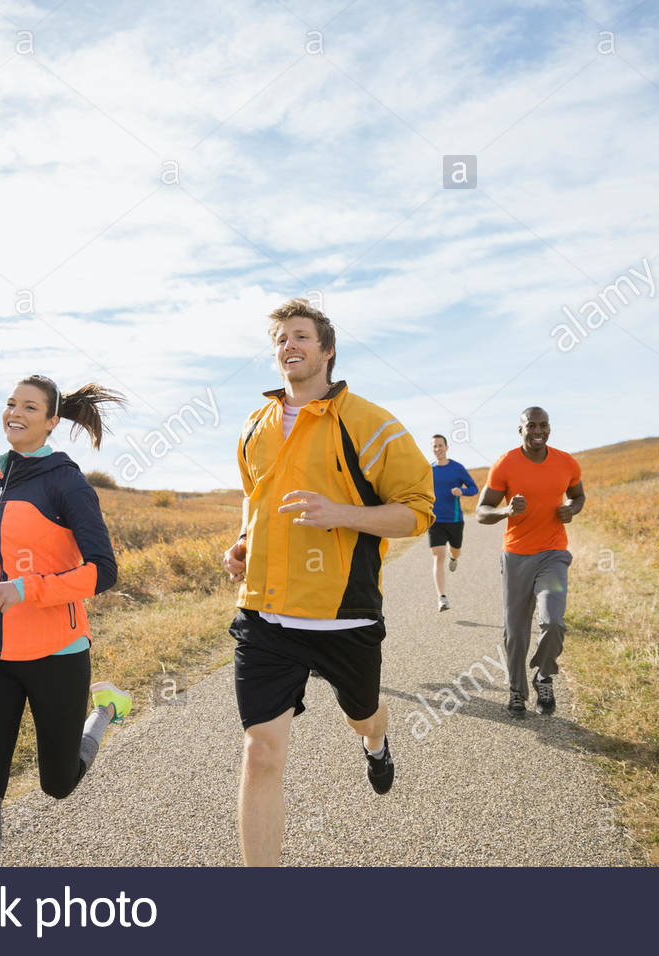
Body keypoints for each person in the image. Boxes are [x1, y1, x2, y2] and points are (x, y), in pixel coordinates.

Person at [222, 297, 434, 866]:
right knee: (261, 753)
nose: (288, 347)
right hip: (265, 616)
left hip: (345, 614)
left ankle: (375, 739)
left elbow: (417, 510)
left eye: (300, 337)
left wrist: (344, 514)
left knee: (360, 712)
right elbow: (256, 500)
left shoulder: (370, 423)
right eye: (281, 340)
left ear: (327, 349)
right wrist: (245, 543)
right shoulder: (254, 426)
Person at [0, 375, 131, 866]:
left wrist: (23, 589)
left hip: (57, 653)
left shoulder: (67, 483)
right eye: (10, 403)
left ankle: (106, 711)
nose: (15, 412)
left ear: (51, 422)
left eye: (29, 406)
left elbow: (102, 571)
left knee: (58, 783)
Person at [476, 406, 585, 717]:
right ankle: (516, 690)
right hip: (517, 558)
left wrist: (571, 510)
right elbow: (482, 511)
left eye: (544, 425)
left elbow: (578, 496)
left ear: (549, 428)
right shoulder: (506, 464)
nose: (538, 431)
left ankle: (543, 676)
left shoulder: (567, 462)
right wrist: (506, 512)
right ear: (520, 430)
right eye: (532, 426)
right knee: (516, 631)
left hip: (553, 555)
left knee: (553, 621)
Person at [428, 433, 478, 611]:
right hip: (435, 520)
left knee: (455, 551)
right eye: (434, 446)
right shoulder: (428, 470)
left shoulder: (457, 468)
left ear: (446, 447)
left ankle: (454, 557)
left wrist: (462, 492)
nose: (437, 449)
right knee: (437, 556)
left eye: (440, 445)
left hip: (455, 520)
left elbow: (474, 488)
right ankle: (442, 598)